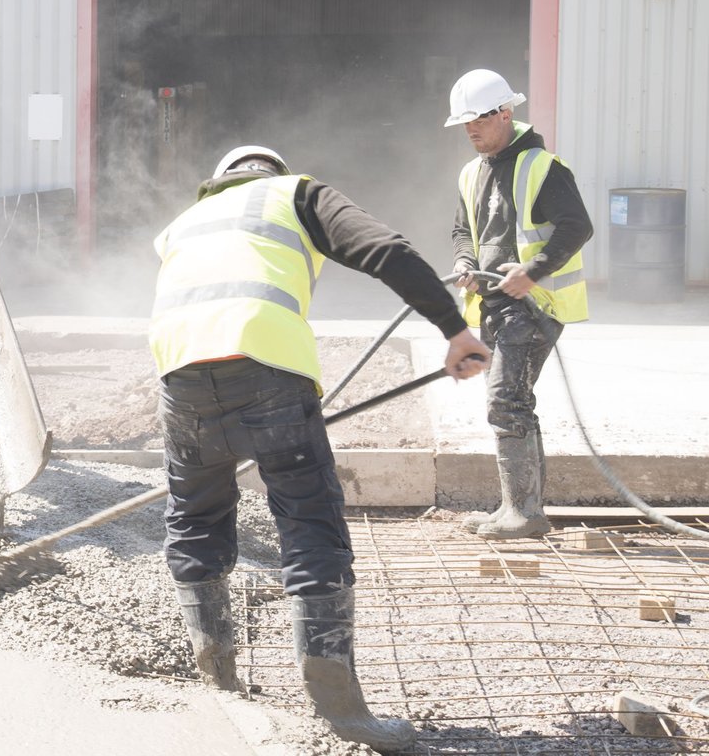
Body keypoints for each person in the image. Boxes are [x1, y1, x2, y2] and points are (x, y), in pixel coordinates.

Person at [150, 144, 489, 752]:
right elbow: (387, 251)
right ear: (271, 174)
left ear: (219, 181)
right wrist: (455, 329)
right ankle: (341, 709)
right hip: (268, 367)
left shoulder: (182, 222)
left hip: (178, 376)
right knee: (308, 517)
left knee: (195, 518)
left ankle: (217, 682)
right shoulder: (296, 194)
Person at [444, 69, 591, 539]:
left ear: (505, 114)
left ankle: (523, 513)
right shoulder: (471, 173)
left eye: (479, 120)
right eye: (464, 123)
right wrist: (466, 260)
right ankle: (522, 508)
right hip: (492, 304)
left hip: (533, 305)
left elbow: (577, 227)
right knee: (516, 402)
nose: (471, 130)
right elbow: (463, 230)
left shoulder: (543, 167)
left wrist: (532, 271)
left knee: (505, 401)